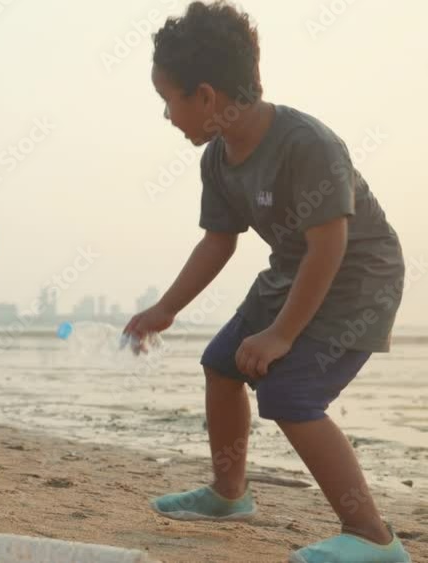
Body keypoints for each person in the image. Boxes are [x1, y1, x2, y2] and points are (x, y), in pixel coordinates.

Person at [126, 3, 410, 561]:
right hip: (292, 269)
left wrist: (281, 335)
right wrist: (166, 308)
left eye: (169, 100)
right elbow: (218, 241)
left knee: (290, 393)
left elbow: (331, 246)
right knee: (221, 363)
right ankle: (230, 494)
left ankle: (374, 538)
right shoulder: (218, 156)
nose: (166, 115)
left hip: (359, 277)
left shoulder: (308, 144)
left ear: (206, 97)